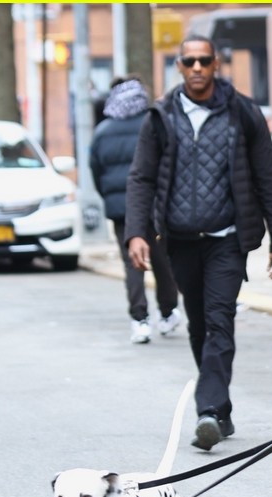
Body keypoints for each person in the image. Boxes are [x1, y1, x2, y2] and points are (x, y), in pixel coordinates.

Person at [125, 36, 272, 451]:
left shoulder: (243, 112)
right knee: (199, 325)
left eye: (204, 60)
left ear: (216, 63)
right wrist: (136, 232)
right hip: (180, 241)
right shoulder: (161, 115)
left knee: (219, 320)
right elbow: (142, 178)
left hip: (227, 239)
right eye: (189, 61)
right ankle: (221, 409)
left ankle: (208, 411)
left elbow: (268, 176)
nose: (197, 67)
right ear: (179, 66)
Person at [89, 75, 184, 344]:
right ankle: (167, 312)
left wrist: (111, 198)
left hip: (121, 210)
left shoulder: (103, 131)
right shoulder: (154, 123)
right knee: (162, 260)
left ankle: (139, 319)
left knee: (132, 263)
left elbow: (96, 170)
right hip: (155, 205)